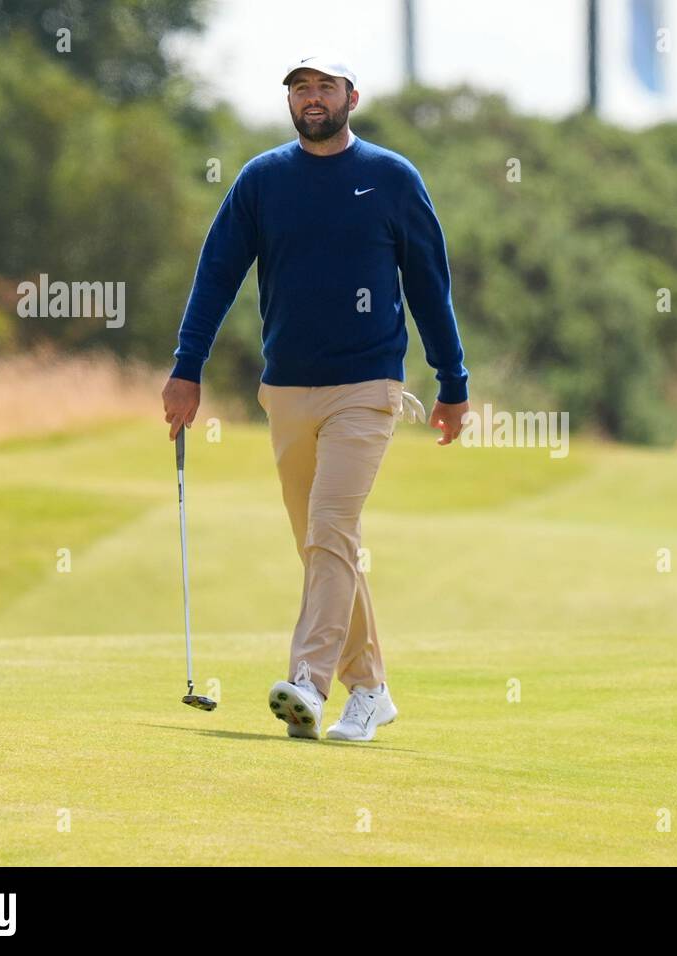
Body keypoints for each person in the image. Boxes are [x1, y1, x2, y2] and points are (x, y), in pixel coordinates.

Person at [161, 55, 470, 742]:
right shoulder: (262, 181)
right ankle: (373, 691)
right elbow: (216, 274)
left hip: (367, 387)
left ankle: (308, 683)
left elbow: (428, 287)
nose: (311, 99)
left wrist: (454, 383)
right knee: (323, 545)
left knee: (330, 527)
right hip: (288, 390)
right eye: (300, 89)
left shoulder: (391, 178)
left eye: (324, 87)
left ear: (351, 97)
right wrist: (188, 367)